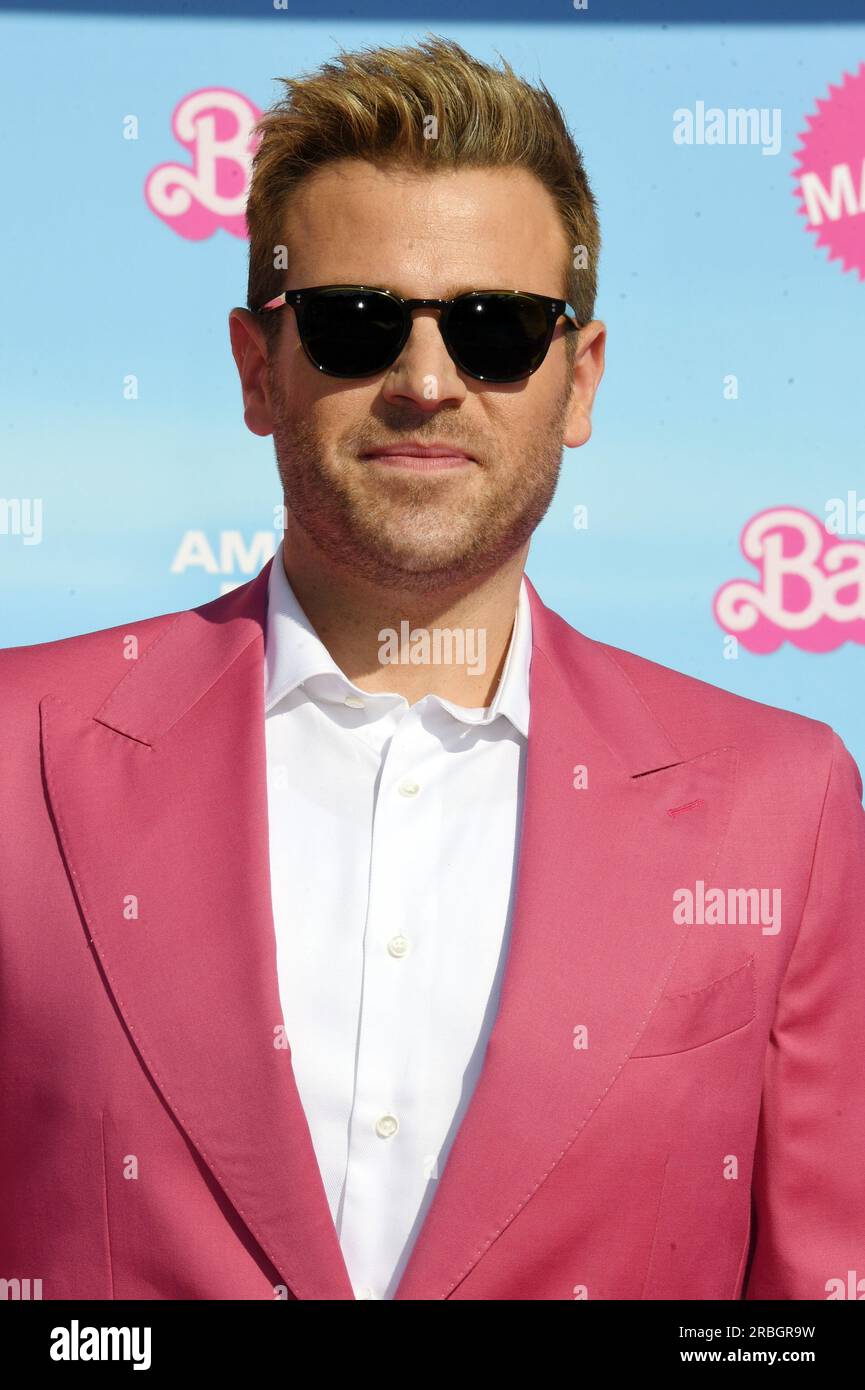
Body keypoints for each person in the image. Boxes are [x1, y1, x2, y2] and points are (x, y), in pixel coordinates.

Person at [1, 35, 863, 1303]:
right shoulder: (17, 752)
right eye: (354, 324)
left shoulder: (778, 806)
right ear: (257, 368)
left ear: (580, 380)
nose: (423, 381)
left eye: (496, 331)